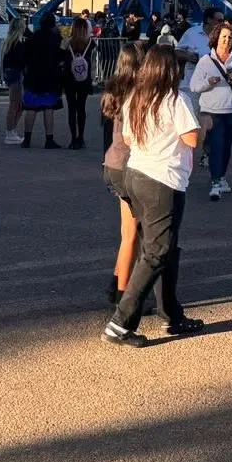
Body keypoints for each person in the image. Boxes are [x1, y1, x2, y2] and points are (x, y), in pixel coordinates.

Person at [103, 47, 208, 347]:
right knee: (157, 251)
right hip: (164, 181)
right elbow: (191, 138)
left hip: (136, 173)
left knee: (164, 247)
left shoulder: (136, 97)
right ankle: (121, 322)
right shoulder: (176, 100)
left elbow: (126, 138)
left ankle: (172, 313)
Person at [100, 40, 147, 307]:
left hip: (113, 163)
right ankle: (123, 295)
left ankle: (117, 279)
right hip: (128, 165)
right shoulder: (136, 93)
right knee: (132, 234)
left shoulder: (114, 90)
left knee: (128, 231)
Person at [188, 19, 232, 200]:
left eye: (230, 38)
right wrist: (208, 83)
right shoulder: (205, 60)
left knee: (226, 146)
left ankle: (222, 177)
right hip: (212, 111)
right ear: (216, 38)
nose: (227, 41)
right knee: (216, 144)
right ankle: (216, 181)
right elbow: (194, 86)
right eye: (224, 37)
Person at [19, 17, 69, 148]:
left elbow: (24, 57)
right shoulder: (56, 39)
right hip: (51, 77)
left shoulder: (32, 39)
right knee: (49, 107)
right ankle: (49, 139)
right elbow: (61, 57)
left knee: (31, 108)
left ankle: (27, 139)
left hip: (33, 77)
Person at [65, 17, 97, 150]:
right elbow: (94, 62)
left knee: (71, 108)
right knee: (81, 108)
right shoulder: (90, 43)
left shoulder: (68, 43)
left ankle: (73, 139)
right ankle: (81, 138)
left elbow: (61, 59)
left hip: (69, 78)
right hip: (84, 79)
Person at [0, 23, 29, 146]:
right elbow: (22, 61)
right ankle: (10, 132)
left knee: (16, 104)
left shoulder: (8, 43)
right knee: (16, 104)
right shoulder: (18, 44)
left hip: (9, 73)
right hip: (16, 74)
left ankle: (11, 131)